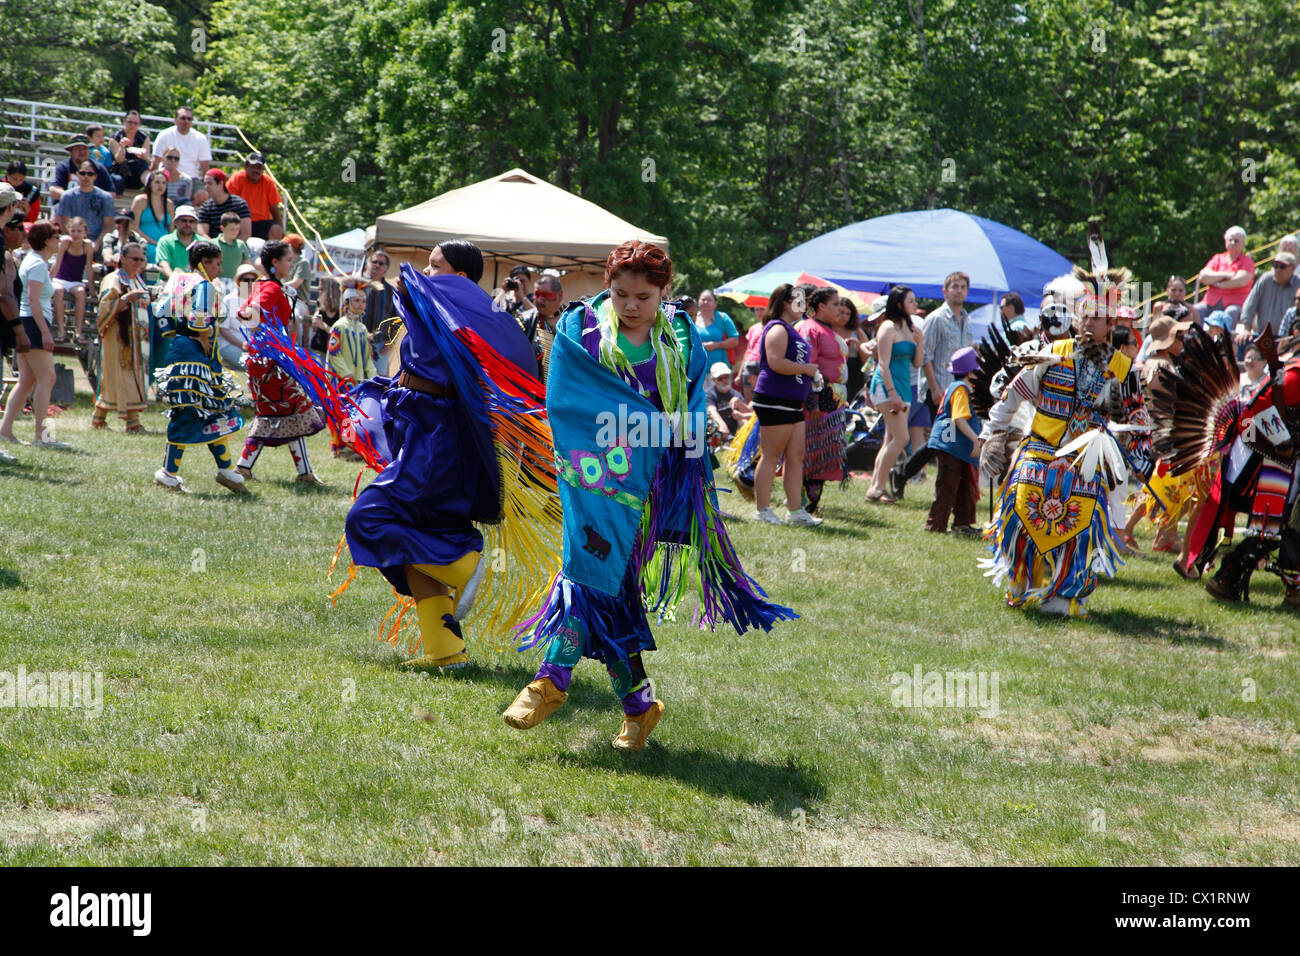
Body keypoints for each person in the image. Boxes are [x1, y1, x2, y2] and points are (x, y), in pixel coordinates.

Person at [503, 240, 796, 750]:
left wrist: (679, 461)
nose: (631, 305)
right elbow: (566, 400)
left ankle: (555, 682)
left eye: (643, 295)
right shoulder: (584, 332)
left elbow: (684, 420)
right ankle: (633, 703)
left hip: (648, 488)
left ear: (665, 291)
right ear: (607, 288)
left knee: (602, 583)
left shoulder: (680, 342)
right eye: (620, 294)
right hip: (592, 478)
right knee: (598, 581)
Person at [343, 238, 559, 671]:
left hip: (436, 441)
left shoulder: (466, 315)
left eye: (435, 265)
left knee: (368, 518)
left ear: (460, 279)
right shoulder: (447, 317)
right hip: (431, 433)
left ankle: (462, 567)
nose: (426, 271)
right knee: (420, 533)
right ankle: (445, 651)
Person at [979, 265, 1154, 617]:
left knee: (1081, 525)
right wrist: (993, 434)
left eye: (1098, 320)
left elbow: (1136, 416)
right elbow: (1014, 395)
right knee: (1019, 512)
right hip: (1040, 448)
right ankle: (1022, 580)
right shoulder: (1053, 352)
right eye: (1085, 318)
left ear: (1110, 327)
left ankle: (1063, 594)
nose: (1089, 325)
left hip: (1086, 457)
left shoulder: (1122, 367)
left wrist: (1141, 455)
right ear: (1076, 320)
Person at [152, 241, 247, 493]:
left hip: (182, 352)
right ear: (204, 262)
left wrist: (177, 332)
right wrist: (202, 335)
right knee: (191, 410)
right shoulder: (203, 285)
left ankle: (227, 470)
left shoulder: (178, 280)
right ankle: (168, 473)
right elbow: (199, 318)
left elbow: (161, 312)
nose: (220, 267)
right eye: (217, 263)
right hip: (198, 357)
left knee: (211, 409)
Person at [234, 239, 326, 484]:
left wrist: (259, 334)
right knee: (280, 412)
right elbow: (248, 312)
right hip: (270, 362)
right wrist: (265, 334)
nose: (291, 264)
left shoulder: (263, 285)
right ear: (274, 262)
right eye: (288, 260)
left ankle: (304, 472)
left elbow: (244, 310)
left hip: (268, 359)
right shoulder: (271, 288)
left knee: (290, 411)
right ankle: (243, 467)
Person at [890, 271, 973, 497]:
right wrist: (935, 388)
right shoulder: (936, 318)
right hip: (939, 388)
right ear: (944, 291)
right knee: (942, 439)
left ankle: (906, 473)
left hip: (960, 389)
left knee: (944, 440)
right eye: (954, 286)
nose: (959, 290)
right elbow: (924, 355)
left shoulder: (967, 319)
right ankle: (906, 473)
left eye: (963, 287)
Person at [749, 283, 823, 526]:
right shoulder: (777, 329)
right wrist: (807, 369)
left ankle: (795, 511)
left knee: (795, 456)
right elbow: (775, 362)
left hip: (792, 400)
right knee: (771, 456)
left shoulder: (791, 330)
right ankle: (763, 510)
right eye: (799, 301)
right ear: (785, 303)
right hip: (774, 398)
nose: (804, 306)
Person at [0, 221, 70, 449]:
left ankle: (5, 430)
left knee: (27, 381)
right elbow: (32, 300)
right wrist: (44, 332)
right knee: (47, 378)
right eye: (56, 237)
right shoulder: (37, 264)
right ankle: (43, 436)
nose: (58, 241)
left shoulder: (36, 262)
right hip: (33, 324)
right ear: (46, 240)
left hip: (29, 323)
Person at [865, 286, 924, 504]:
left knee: (890, 439)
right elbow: (882, 364)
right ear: (899, 303)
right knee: (902, 438)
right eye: (911, 301)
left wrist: (920, 342)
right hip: (887, 388)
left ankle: (875, 488)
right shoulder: (887, 328)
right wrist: (892, 394)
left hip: (904, 387)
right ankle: (877, 488)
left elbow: (917, 363)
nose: (915, 304)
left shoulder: (909, 328)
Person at [795, 287, 849, 513]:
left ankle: (810, 504)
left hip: (832, 400)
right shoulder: (809, 329)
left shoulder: (826, 329)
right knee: (810, 454)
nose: (840, 308)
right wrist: (813, 402)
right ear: (820, 307)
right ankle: (803, 505)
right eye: (835, 304)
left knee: (822, 454)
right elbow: (809, 367)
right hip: (818, 400)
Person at [91, 241, 150, 433]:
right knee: (119, 375)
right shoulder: (114, 279)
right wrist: (125, 299)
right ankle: (132, 422)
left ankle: (98, 419)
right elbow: (103, 308)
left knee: (119, 376)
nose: (138, 262)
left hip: (137, 339)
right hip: (118, 337)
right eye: (134, 259)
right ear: (122, 259)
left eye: (141, 259)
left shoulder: (138, 279)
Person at [925, 346, 983, 534]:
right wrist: (976, 440)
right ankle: (935, 525)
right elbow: (959, 418)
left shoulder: (963, 388)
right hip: (950, 445)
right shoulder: (960, 389)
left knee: (966, 486)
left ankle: (962, 524)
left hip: (959, 448)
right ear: (970, 373)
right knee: (947, 486)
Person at [325, 283, 376, 457]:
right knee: (341, 411)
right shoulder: (339, 326)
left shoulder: (362, 329)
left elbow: (367, 357)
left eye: (363, 301)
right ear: (346, 303)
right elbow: (334, 353)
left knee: (353, 412)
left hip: (358, 379)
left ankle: (352, 446)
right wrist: (346, 374)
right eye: (356, 301)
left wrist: (373, 376)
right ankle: (338, 447)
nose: (361, 304)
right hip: (342, 380)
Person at [150, 107, 212, 205]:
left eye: (189, 119)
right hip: (166, 176)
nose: (186, 121)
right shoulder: (164, 135)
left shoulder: (201, 139)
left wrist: (208, 187)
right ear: (175, 120)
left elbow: (206, 168)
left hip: (192, 178)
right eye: (183, 118)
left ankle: (184, 210)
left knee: (203, 195)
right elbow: (156, 161)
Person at [1195, 226, 1254, 326]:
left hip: (1235, 303)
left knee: (1231, 312)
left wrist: (1215, 282)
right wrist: (1226, 275)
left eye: (1236, 241)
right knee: (1196, 310)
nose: (1232, 243)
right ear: (1225, 241)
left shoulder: (1246, 261)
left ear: (1243, 243)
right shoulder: (1217, 258)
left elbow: (1240, 281)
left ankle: (1226, 340)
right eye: (1230, 240)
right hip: (1210, 302)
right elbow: (1203, 277)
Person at [1237, 251, 1300, 342]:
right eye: (1275, 265)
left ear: (1293, 268)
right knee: (1243, 342)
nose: (1278, 269)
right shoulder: (1265, 280)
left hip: (1288, 340)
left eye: (1282, 266)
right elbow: (1250, 305)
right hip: (1262, 336)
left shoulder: (1298, 285)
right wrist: (1247, 329)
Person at [225, 153, 284, 241]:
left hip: (262, 223)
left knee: (276, 229)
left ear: (263, 169)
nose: (256, 170)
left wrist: (281, 230)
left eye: (259, 168)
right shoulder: (237, 179)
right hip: (241, 221)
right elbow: (227, 203)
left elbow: (274, 208)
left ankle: (272, 253)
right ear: (245, 166)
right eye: (253, 167)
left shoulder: (268, 182)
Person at [54, 161, 115, 244]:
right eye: (83, 173)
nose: (86, 176)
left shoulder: (106, 197)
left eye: (90, 174)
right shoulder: (67, 196)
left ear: (95, 176)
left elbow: (108, 227)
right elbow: (66, 226)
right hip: (73, 241)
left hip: (98, 243)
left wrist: (97, 244)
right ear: (77, 174)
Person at [519, 273, 564, 378]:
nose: (539, 300)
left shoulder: (571, 321)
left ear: (559, 296)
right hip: (533, 389)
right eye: (537, 295)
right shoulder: (524, 321)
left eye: (545, 295)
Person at [217, 263, 258, 371]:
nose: (250, 283)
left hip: (251, 345)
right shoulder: (229, 300)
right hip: (229, 344)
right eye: (246, 279)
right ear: (239, 281)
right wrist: (242, 345)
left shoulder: (257, 301)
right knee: (252, 367)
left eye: (253, 280)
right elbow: (223, 330)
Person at [49, 135, 115, 202]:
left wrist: (93, 199)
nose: (82, 151)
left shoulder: (99, 168)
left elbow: (111, 194)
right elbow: (54, 191)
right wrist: (77, 198)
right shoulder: (62, 168)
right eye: (77, 149)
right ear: (70, 151)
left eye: (85, 148)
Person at [361, 248, 398, 366]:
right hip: (358, 341)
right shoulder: (358, 286)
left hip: (380, 345)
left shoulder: (391, 291)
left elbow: (396, 319)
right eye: (374, 262)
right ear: (369, 263)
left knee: (378, 382)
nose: (376, 265)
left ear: (386, 268)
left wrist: (391, 342)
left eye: (381, 263)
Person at [130, 170, 174, 265]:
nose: (161, 186)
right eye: (157, 182)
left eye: (164, 183)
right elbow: (134, 227)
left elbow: (172, 230)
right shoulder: (140, 200)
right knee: (155, 253)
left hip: (164, 245)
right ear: (150, 184)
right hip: (144, 244)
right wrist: (154, 243)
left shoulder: (169, 204)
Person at [196, 169, 252, 241]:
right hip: (213, 248)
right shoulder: (205, 207)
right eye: (205, 184)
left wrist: (232, 248)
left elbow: (245, 233)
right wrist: (215, 249)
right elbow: (202, 234)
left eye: (210, 184)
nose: (206, 187)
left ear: (221, 183)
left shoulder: (239, 204)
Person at [705, 361, 752, 441]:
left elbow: (749, 415)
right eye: (720, 378)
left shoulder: (736, 395)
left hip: (734, 432)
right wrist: (722, 426)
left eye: (726, 376)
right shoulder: (709, 394)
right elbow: (712, 412)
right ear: (714, 380)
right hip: (716, 432)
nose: (724, 380)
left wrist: (739, 403)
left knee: (743, 420)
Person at [155, 205, 201, 279]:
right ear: (175, 222)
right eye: (184, 220)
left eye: (191, 221)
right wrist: (175, 281)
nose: (188, 224)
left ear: (195, 224)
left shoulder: (203, 243)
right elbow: (163, 265)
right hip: (168, 284)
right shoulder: (165, 241)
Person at [110, 110, 152, 190]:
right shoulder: (115, 137)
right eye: (130, 122)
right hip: (120, 170)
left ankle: (150, 185)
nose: (132, 125)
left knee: (142, 163)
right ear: (124, 122)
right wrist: (122, 146)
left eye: (135, 123)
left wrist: (143, 156)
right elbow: (119, 160)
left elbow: (148, 160)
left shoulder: (144, 138)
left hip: (137, 172)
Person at [695, 289, 739, 360]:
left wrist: (715, 345)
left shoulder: (723, 318)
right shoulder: (691, 318)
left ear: (715, 303)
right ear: (698, 301)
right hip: (696, 366)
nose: (705, 302)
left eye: (709, 300)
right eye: (703, 299)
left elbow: (735, 340)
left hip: (720, 367)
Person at [308, 275, 339, 367]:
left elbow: (339, 334)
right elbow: (316, 322)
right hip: (318, 347)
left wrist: (324, 326)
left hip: (333, 351)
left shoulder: (341, 310)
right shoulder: (320, 303)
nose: (318, 289)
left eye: (321, 289)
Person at [213, 211, 253, 280]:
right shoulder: (213, 243)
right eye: (232, 229)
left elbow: (247, 266)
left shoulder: (241, 244)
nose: (235, 232)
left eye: (237, 229)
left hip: (236, 281)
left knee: (246, 286)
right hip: (217, 280)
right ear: (222, 228)